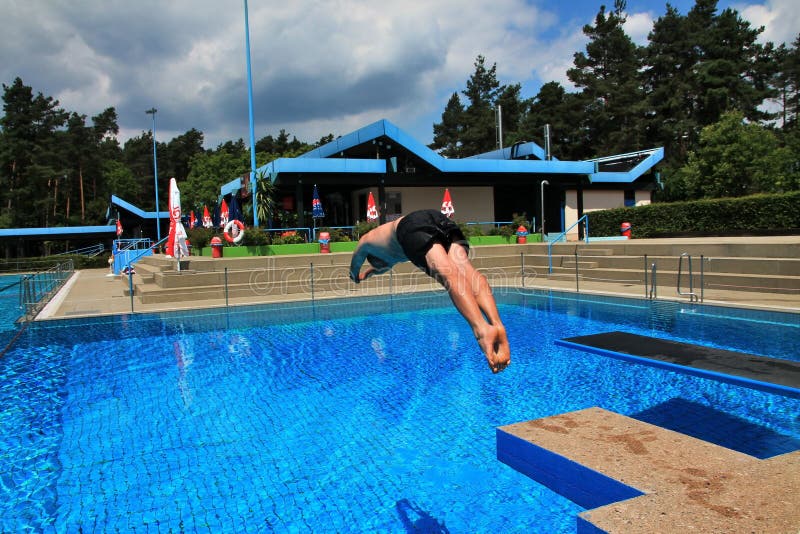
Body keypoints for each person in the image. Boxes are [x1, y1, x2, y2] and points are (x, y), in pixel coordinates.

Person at [350, 209, 510, 373]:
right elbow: (376, 269)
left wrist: (353, 274)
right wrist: (363, 274)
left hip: (410, 227)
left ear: (378, 261)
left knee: (447, 273)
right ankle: (497, 323)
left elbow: (358, 255)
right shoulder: (385, 254)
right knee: (466, 270)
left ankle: (482, 329)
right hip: (436, 218)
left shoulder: (369, 242)